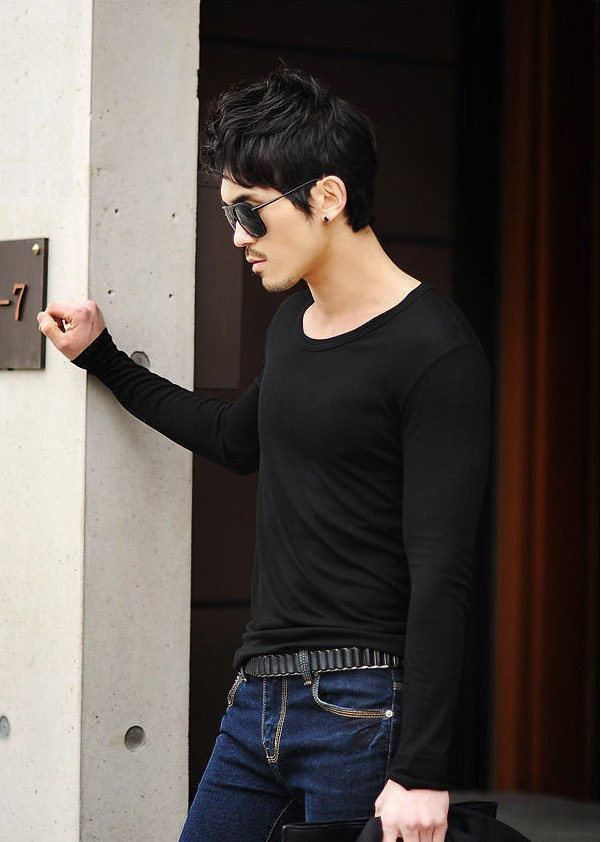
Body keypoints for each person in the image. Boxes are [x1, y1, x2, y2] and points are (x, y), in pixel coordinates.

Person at [38, 67, 492, 842]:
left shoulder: (434, 351)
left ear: (328, 197)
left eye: (249, 210)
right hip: (256, 700)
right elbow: (232, 437)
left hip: (360, 706)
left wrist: (420, 769)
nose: (238, 237)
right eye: (228, 215)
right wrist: (101, 357)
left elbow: (442, 571)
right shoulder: (293, 325)